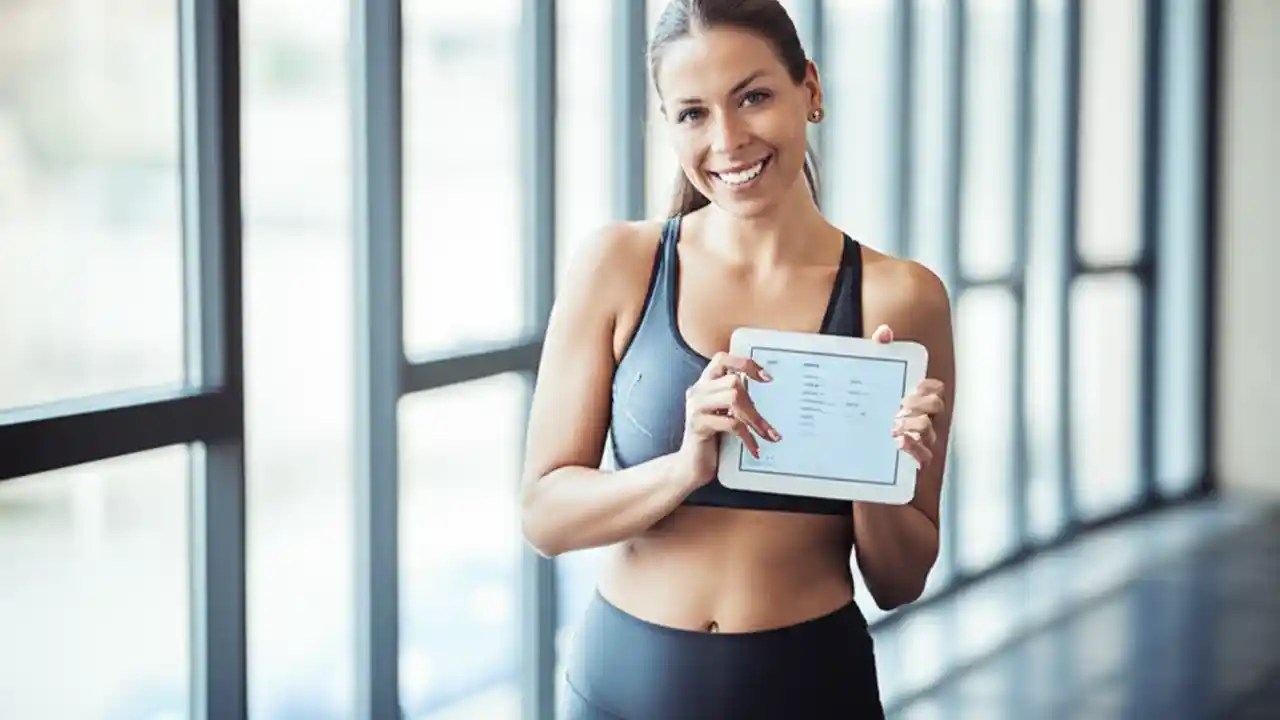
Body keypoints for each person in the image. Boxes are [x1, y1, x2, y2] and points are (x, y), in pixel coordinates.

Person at [520, 1, 955, 717]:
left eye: (752, 96)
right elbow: (545, 516)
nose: (727, 139)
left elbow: (899, 581)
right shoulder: (621, 264)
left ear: (809, 91)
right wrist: (686, 466)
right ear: (667, 124)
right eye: (692, 113)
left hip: (812, 685)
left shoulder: (898, 297)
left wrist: (873, 469)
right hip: (621, 688)